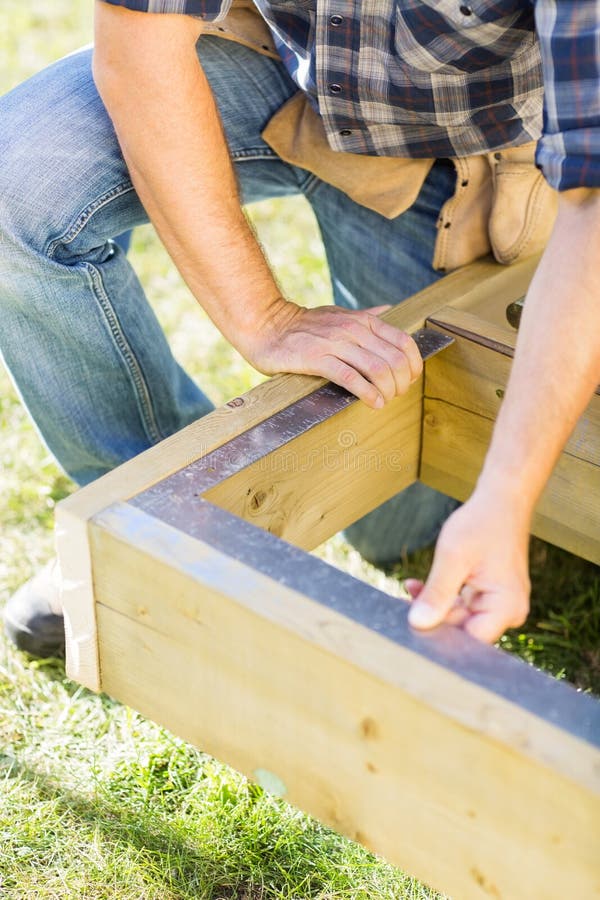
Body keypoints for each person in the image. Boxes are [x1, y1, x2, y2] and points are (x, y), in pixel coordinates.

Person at [0, 1, 598, 657]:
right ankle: (150, 524)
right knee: (14, 186)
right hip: (284, 70)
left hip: (456, 152)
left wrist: (505, 502)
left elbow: (594, 212)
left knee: (389, 526)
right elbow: (141, 39)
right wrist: (261, 316)